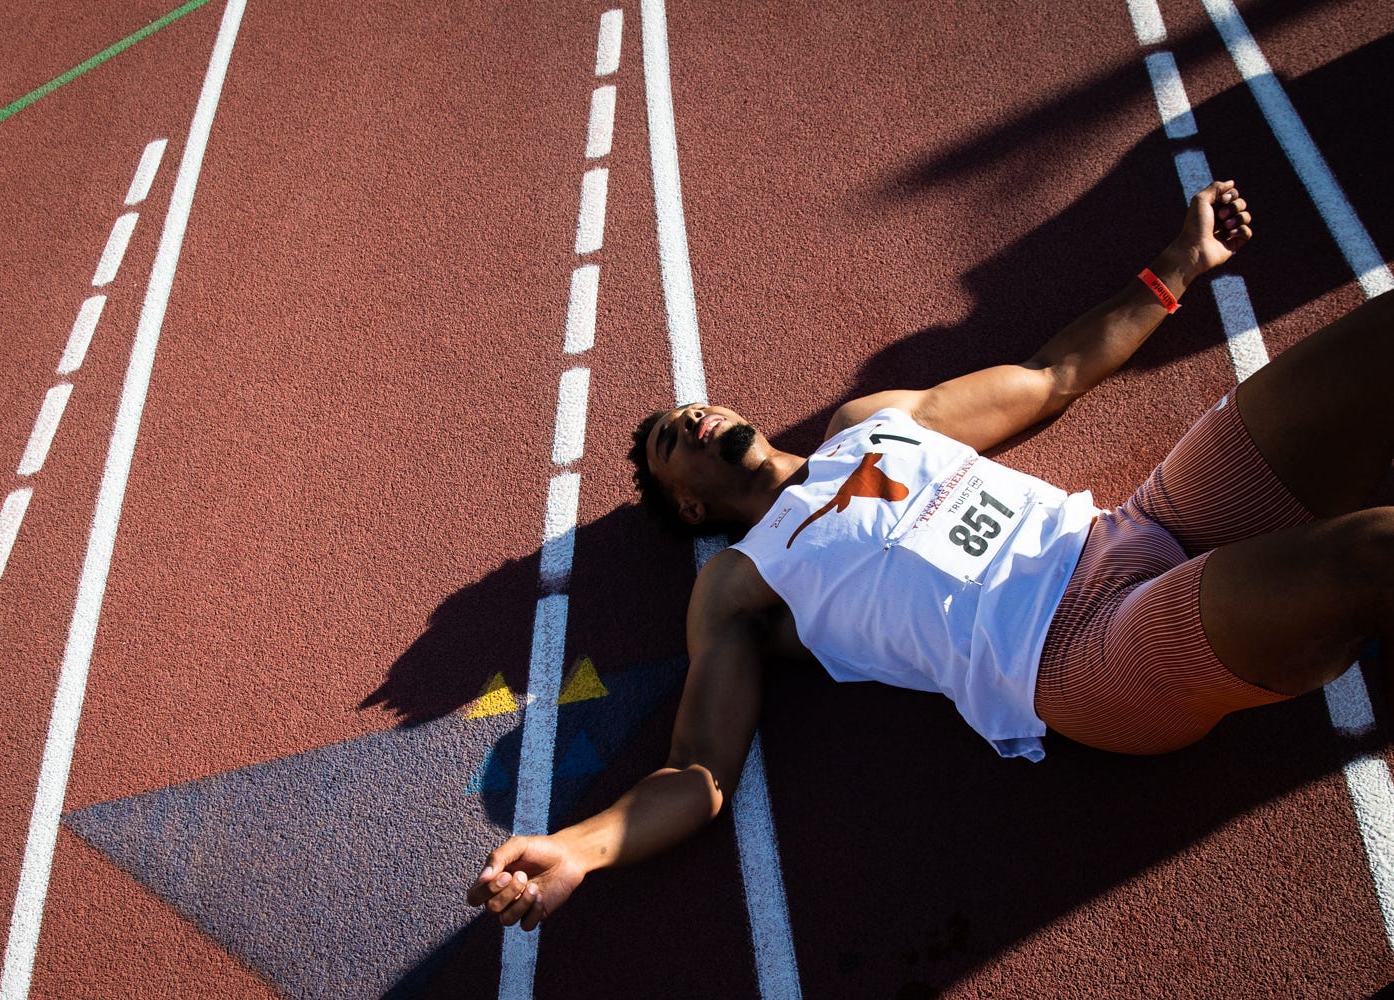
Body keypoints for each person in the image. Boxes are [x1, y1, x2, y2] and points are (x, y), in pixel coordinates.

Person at [466, 180, 1394, 932]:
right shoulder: (740, 580)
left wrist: (1177, 265)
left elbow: (1047, 377)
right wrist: (579, 847)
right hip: (1079, 655)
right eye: (676, 437)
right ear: (690, 501)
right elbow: (702, 767)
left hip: (1132, 526)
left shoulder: (867, 424)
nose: (695, 415)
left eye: (691, 407)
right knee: (1366, 553)